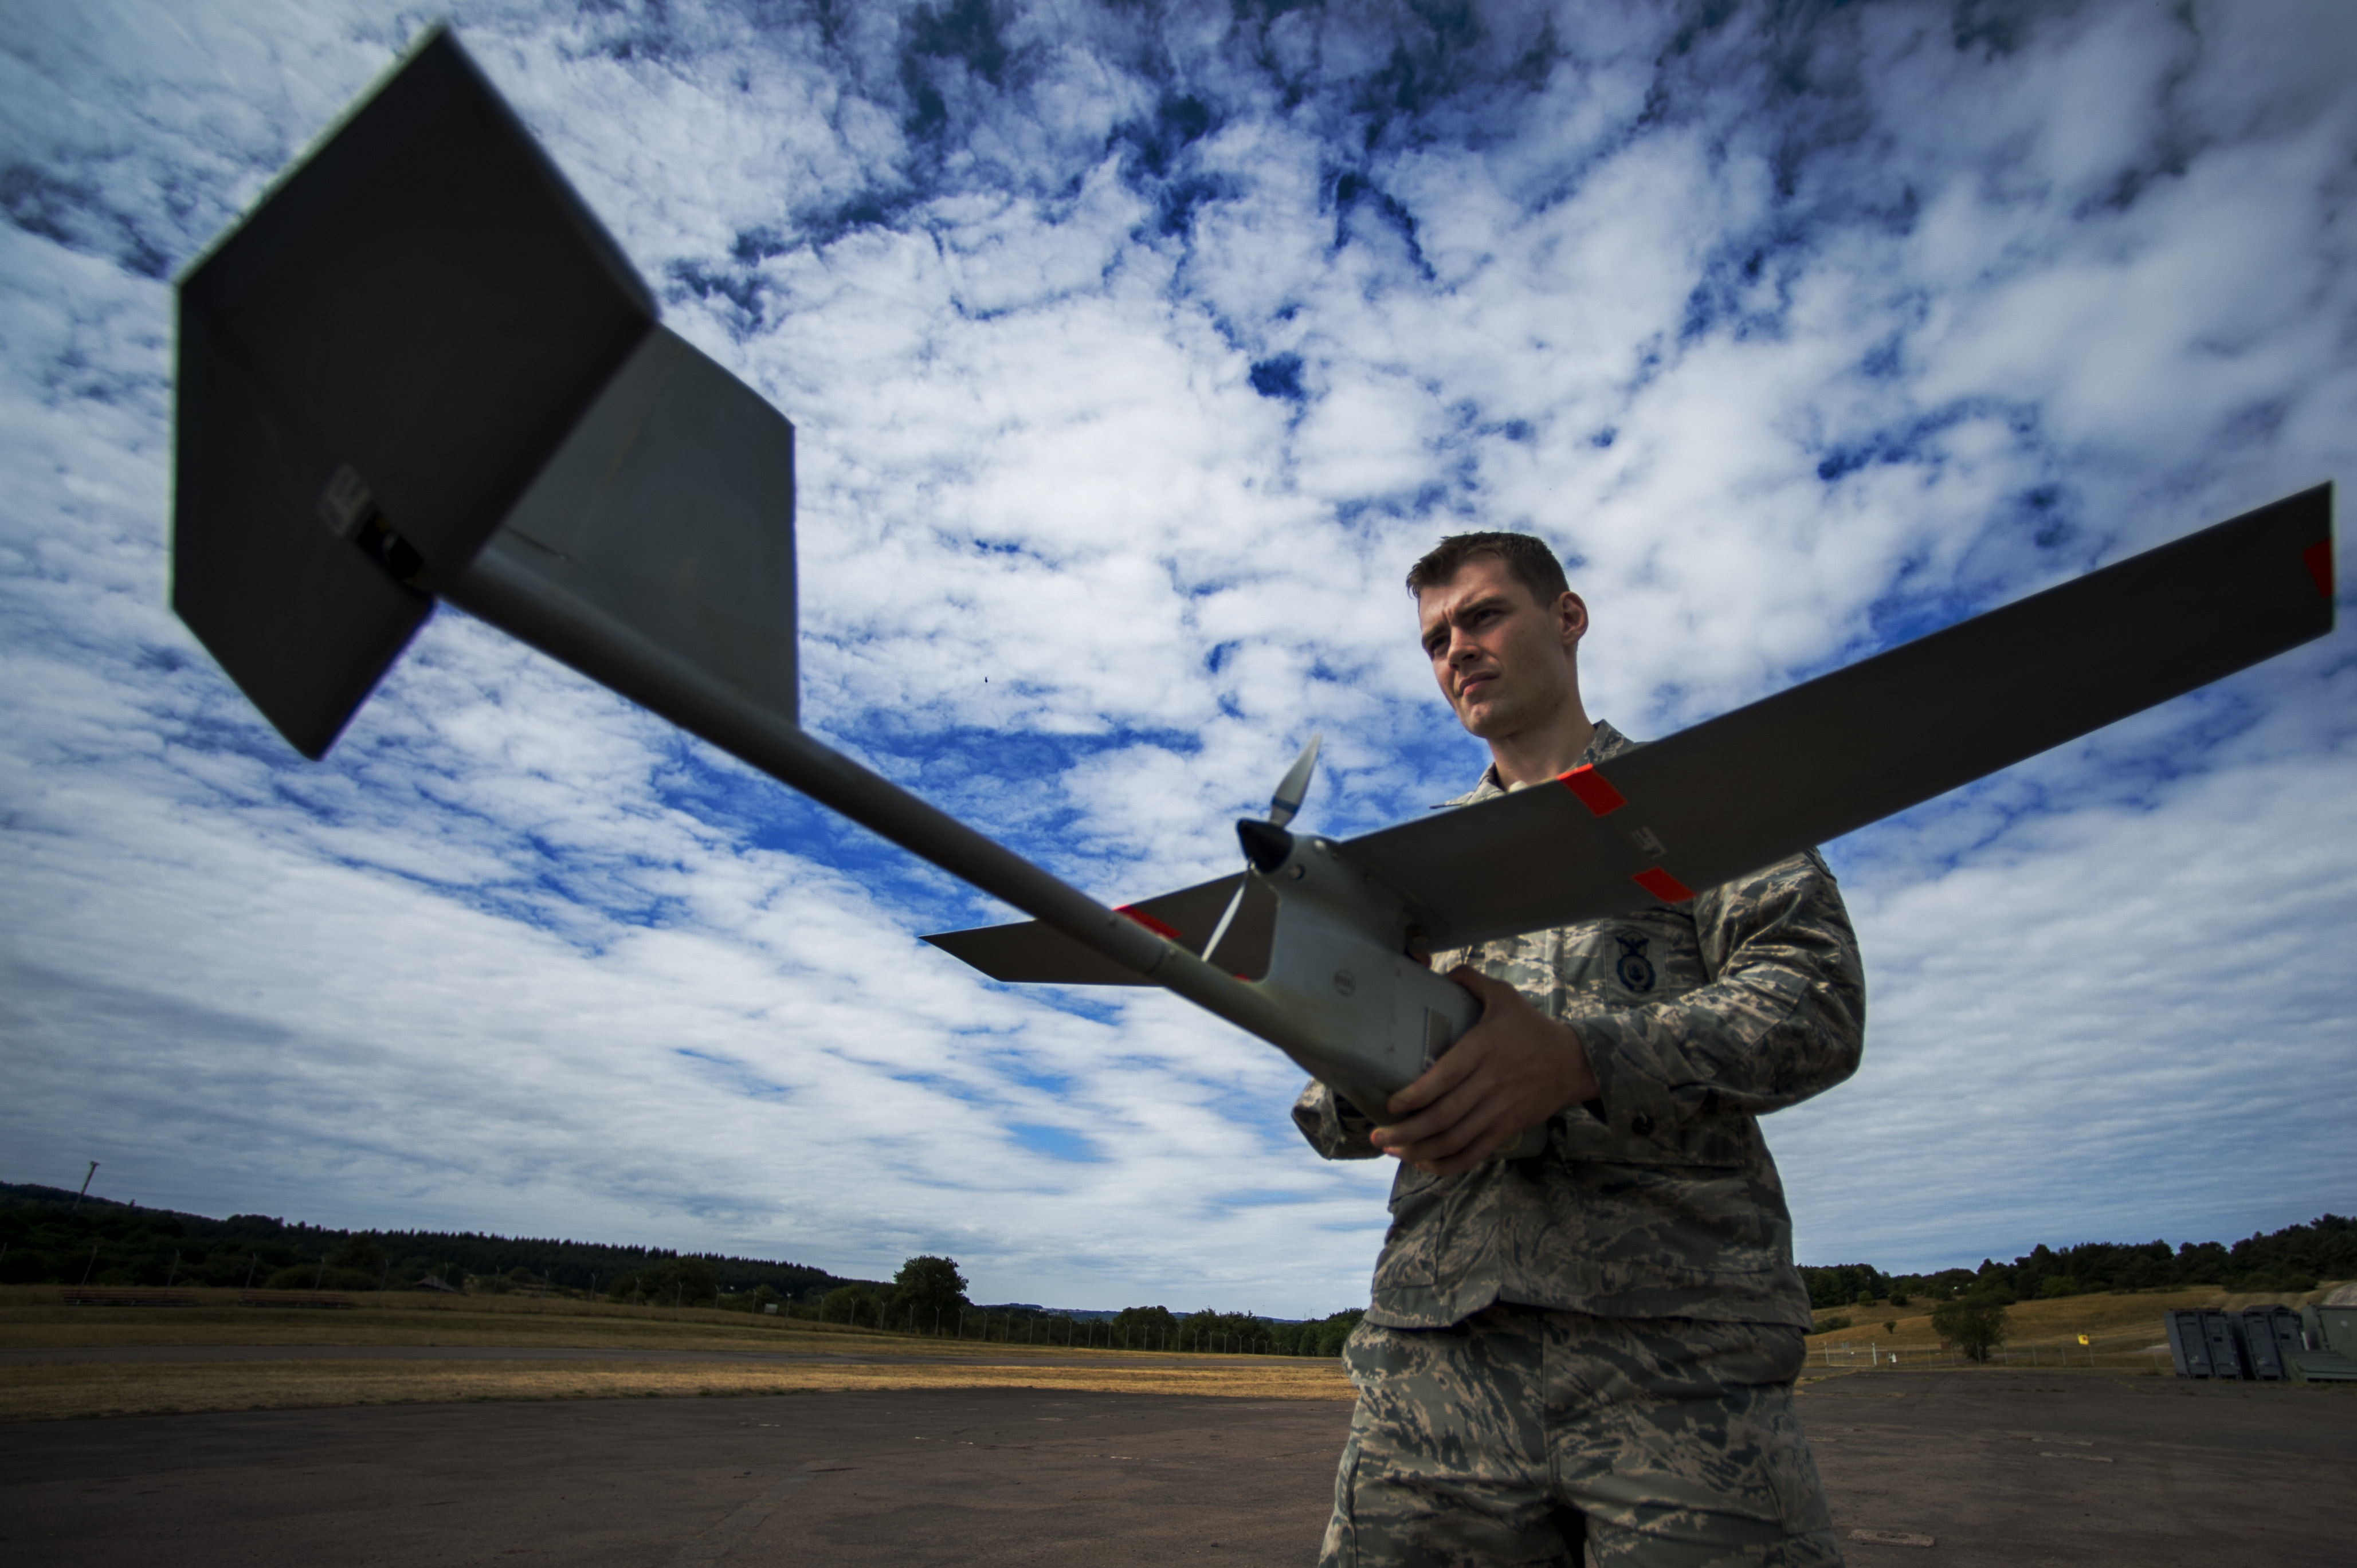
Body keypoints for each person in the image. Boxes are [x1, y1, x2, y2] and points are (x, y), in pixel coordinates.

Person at [1293, 531, 1865, 1567]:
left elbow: (1813, 1004)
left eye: (1480, 616)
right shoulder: (1414, 875)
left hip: (1676, 1358)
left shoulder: (1703, 807)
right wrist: (1348, 1055)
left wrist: (1582, 1058)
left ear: (1567, 617)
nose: (1455, 650)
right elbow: (1327, 1113)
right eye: (1432, 639)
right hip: (1439, 1365)